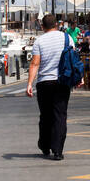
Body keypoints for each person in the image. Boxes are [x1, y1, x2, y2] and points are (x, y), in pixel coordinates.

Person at [27, 13, 81, 159]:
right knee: (60, 115)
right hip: (62, 81)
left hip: (44, 82)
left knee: (45, 115)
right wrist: (78, 78)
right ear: (56, 25)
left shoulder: (39, 41)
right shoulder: (67, 38)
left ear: (42, 26)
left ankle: (44, 145)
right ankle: (58, 150)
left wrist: (29, 84)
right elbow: (73, 59)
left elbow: (35, 63)